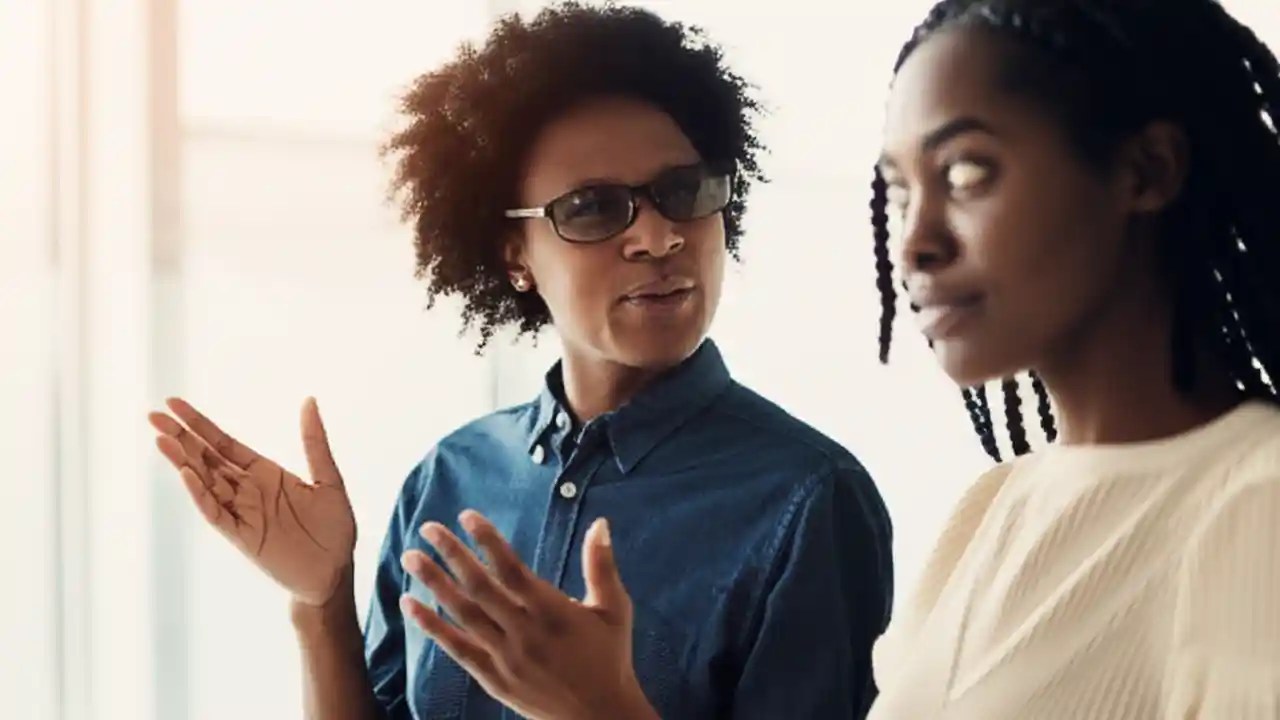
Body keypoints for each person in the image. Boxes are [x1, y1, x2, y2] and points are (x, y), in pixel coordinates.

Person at [149, 4, 893, 719]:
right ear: (514, 256)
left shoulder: (809, 502)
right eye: (595, 208)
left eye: (683, 192)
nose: (660, 237)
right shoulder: (450, 478)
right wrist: (321, 605)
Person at [866, 0, 1280, 717]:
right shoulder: (989, 509)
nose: (913, 241)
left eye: (965, 174)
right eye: (900, 192)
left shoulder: (1257, 506)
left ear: (1147, 171)